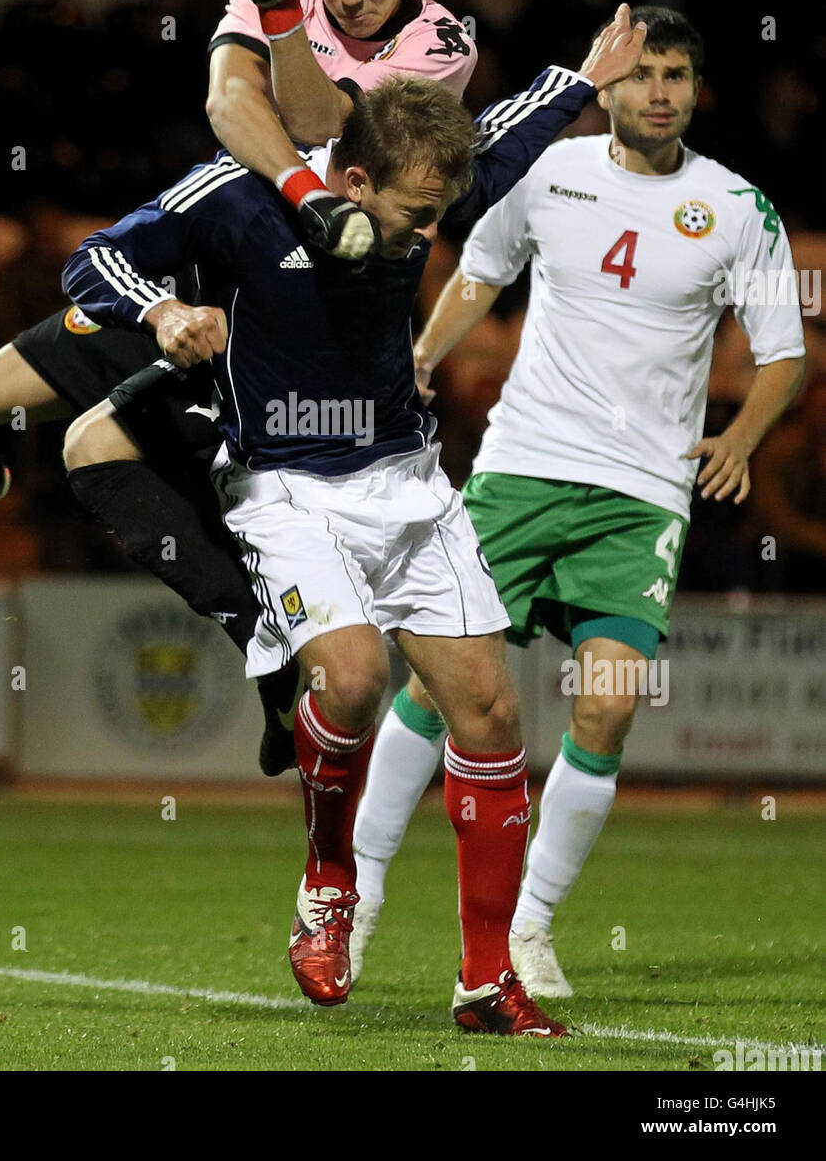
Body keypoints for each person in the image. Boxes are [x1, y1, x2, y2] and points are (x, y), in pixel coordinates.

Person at [0, 0, 476, 772]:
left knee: (124, 452)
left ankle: (271, 646)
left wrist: (281, 25)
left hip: (285, 320)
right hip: (200, 262)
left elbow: (314, 115)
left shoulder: (440, 45)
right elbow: (228, 106)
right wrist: (298, 170)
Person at [63, 76, 574, 1034]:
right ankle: (329, 879)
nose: (425, 231)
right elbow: (93, 261)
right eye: (413, 215)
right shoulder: (238, 198)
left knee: (494, 710)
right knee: (351, 678)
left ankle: (485, 982)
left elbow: (505, 138)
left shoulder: (415, 190)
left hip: (409, 481)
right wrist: (163, 315)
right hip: (286, 488)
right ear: (351, 178)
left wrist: (582, 75)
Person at [348, 8, 807, 997]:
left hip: (640, 494)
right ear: (609, 86)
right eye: (642, 74)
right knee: (437, 687)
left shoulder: (738, 206)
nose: (657, 92)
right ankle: (357, 891)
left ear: (697, 91)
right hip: (519, 469)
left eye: (676, 76)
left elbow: (784, 355)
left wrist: (739, 436)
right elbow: (481, 269)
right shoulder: (546, 172)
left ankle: (527, 928)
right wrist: (424, 354)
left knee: (605, 707)